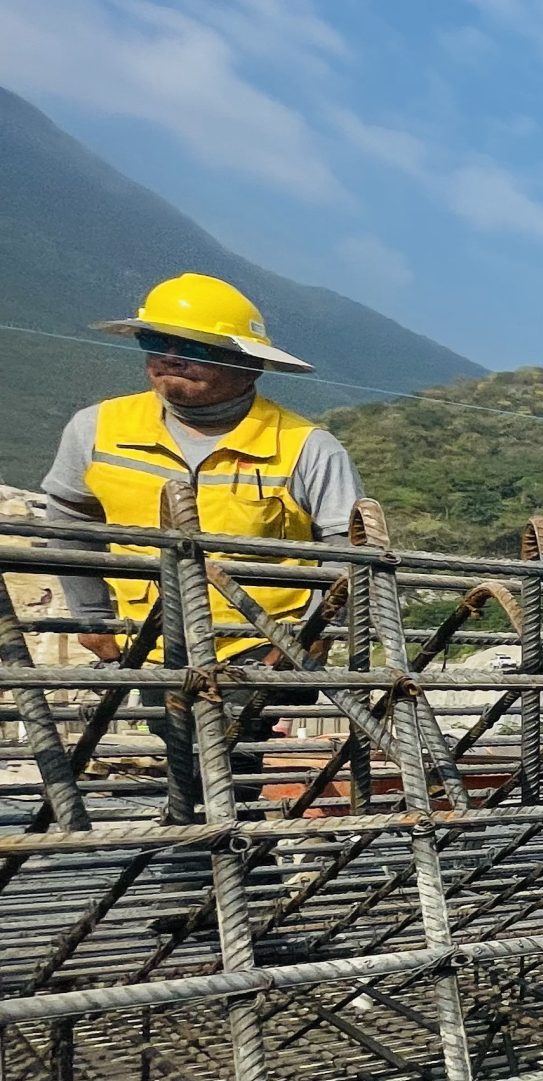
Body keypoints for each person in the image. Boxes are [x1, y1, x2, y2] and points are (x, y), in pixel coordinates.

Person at [42, 272, 362, 823]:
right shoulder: (98, 429)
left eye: (193, 348)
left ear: (249, 363)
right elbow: (71, 517)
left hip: (255, 648)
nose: (170, 358)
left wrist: (304, 642)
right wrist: (92, 618)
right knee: (186, 773)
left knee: (222, 778)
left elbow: (346, 551)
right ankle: (222, 885)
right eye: (155, 343)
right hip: (149, 640)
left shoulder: (306, 447)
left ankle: (202, 888)